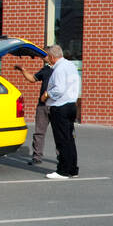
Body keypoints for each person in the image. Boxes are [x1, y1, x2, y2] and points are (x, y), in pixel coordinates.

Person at [42, 45, 80, 179]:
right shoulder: (70, 66)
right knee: (70, 138)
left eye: (47, 57)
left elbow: (58, 89)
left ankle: (63, 170)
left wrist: (46, 95)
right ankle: (72, 168)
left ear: (52, 57)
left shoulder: (58, 69)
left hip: (60, 107)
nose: (46, 60)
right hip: (71, 104)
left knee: (62, 139)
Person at [13, 56, 53, 166]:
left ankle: (62, 157)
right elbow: (32, 79)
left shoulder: (60, 69)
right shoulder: (45, 69)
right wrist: (23, 70)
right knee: (39, 132)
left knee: (59, 133)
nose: (43, 58)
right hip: (42, 106)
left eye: (45, 55)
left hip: (55, 105)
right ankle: (37, 157)